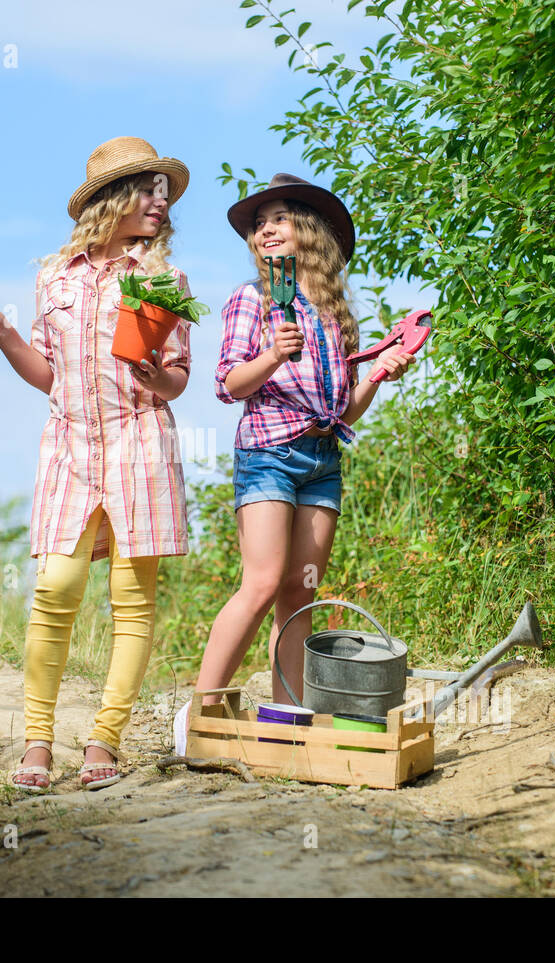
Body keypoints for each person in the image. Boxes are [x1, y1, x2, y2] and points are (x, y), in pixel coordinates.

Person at [0, 137, 193, 790]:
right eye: (148, 190)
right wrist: (6, 334)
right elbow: (48, 374)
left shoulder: (165, 282)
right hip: (69, 449)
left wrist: (156, 373)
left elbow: (176, 379)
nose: (161, 202)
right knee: (55, 589)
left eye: (165, 193)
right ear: (112, 199)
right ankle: (37, 741)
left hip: (140, 444)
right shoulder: (54, 278)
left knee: (131, 601)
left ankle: (103, 740)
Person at [175, 173, 414, 752]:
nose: (264, 231)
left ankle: (286, 723)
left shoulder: (336, 316)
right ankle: (201, 715)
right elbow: (229, 383)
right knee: (260, 584)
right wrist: (272, 354)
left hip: (322, 460)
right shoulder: (250, 300)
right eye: (258, 226)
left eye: (276, 219)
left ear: (308, 230)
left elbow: (342, 410)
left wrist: (381, 371)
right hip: (268, 454)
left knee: (299, 593)